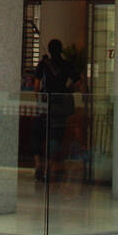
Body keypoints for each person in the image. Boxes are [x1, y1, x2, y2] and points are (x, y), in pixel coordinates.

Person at [33, 39, 78, 183]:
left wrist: (39, 99)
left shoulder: (43, 64)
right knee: (56, 136)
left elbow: (36, 86)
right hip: (61, 106)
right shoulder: (67, 65)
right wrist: (67, 90)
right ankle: (52, 167)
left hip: (45, 106)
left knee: (39, 135)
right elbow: (78, 81)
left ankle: (40, 165)